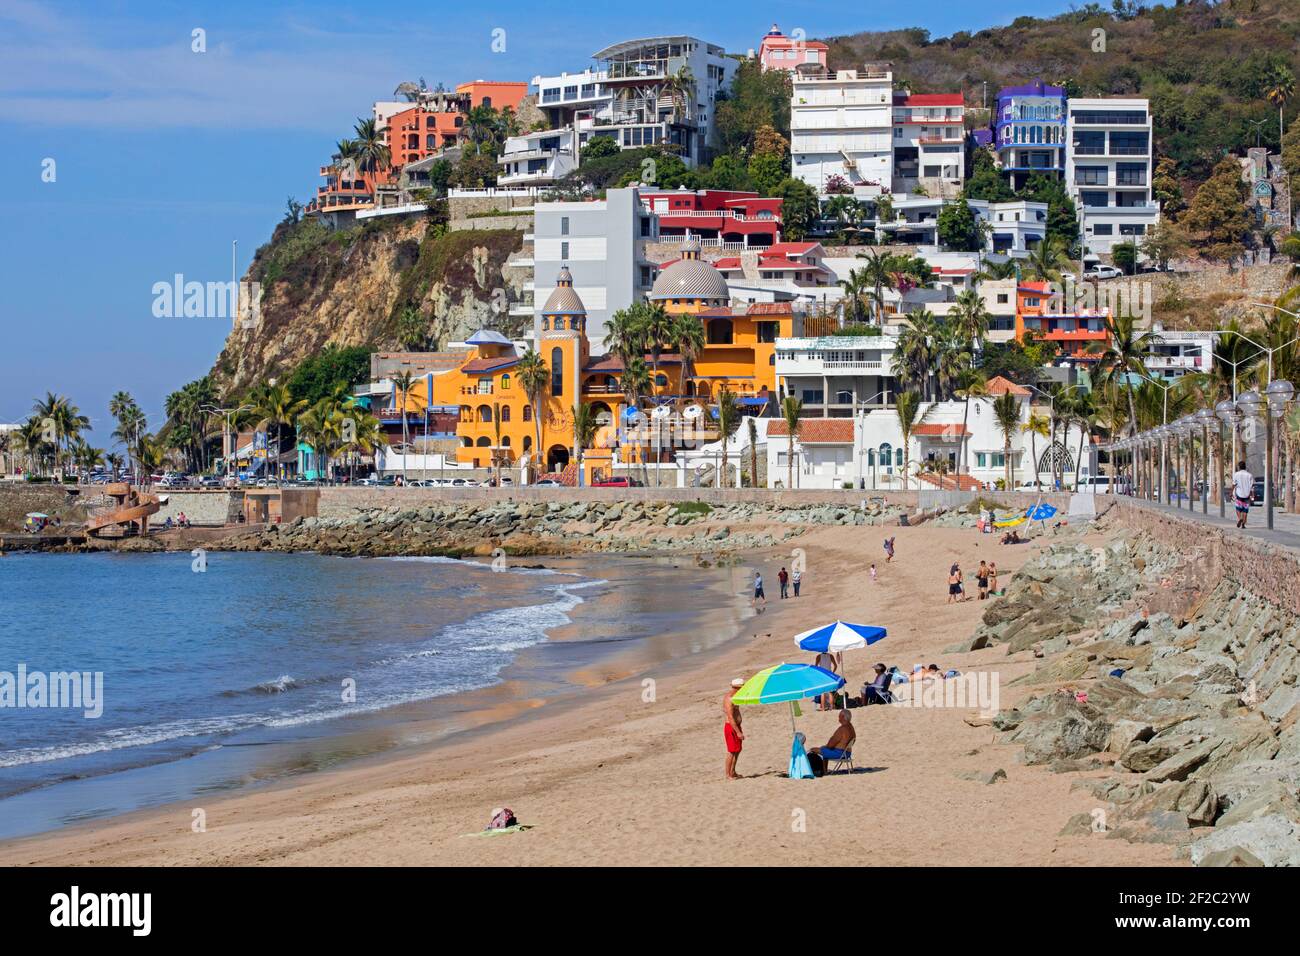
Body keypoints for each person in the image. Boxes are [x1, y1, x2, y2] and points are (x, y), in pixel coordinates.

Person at [723, 678, 745, 779]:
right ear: (738, 688)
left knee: (738, 749)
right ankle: (728, 774)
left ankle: (733, 772)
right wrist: (738, 732)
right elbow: (731, 717)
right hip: (731, 727)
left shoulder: (736, 696)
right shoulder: (729, 698)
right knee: (732, 751)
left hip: (736, 726)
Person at [1233, 460, 1254, 529]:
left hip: (1239, 494)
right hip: (1247, 495)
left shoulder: (1236, 474)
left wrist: (1231, 492)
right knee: (1245, 510)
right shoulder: (1249, 475)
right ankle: (1243, 524)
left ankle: (1239, 518)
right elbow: (1251, 487)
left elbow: (1234, 484)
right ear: (1245, 467)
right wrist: (1252, 495)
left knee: (1238, 508)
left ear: (1239, 467)